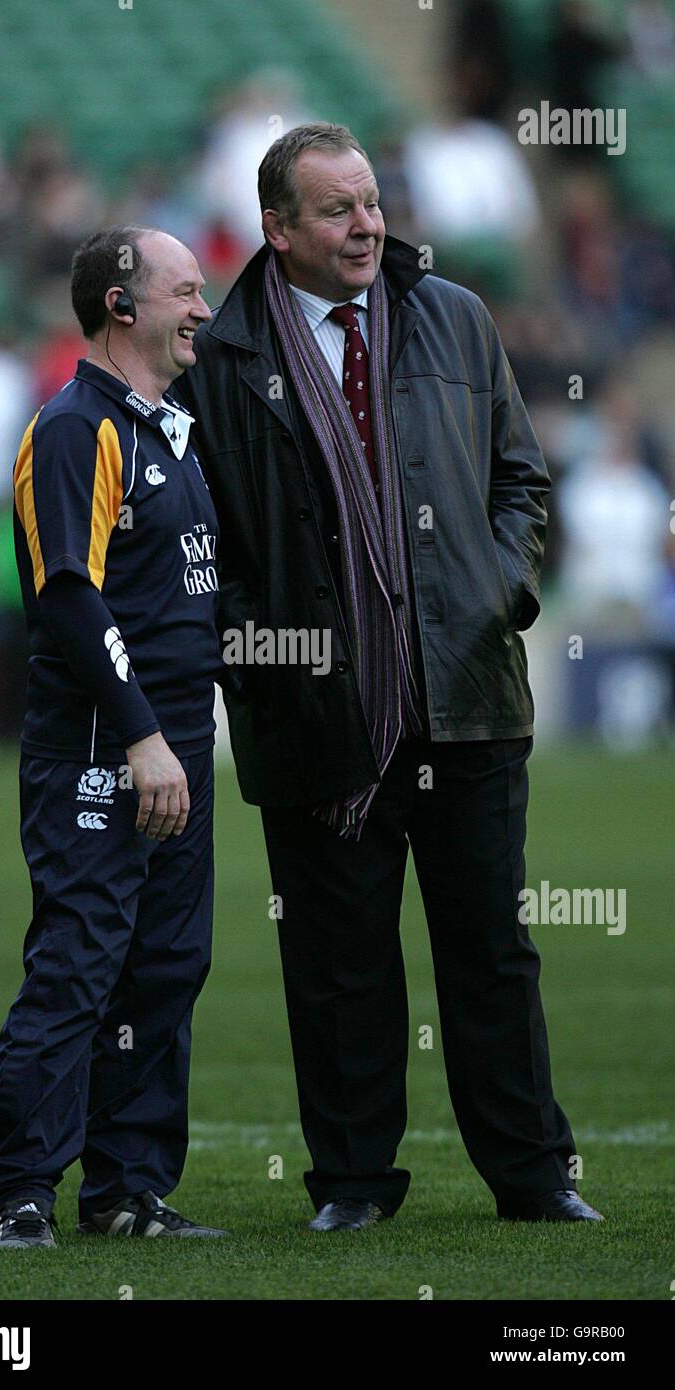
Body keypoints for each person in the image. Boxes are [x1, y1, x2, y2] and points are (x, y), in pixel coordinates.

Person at [172, 124, 604, 1231]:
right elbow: (203, 540)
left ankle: (532, 1176)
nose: (366, 225)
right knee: (336, 965)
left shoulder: (454, 314)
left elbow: (522, 479)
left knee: (491, 951)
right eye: (337, 211)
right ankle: (353, 1186)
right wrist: (261, 665)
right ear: (278, 229)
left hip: (463, 696)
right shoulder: (224, 358)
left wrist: (495, 591)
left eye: (370, 202)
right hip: (314, 711)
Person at [0, 225, 228, 1246]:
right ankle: (19, 1190)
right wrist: (140, 736)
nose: (202, 309)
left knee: (166, 963)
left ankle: (128, 1188)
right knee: (80, 959)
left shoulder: (172, 427)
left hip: (175, 752)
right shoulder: (77, 427)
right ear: (121, 306)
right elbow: (69, 598)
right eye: (183, 290)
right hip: (101, 749)